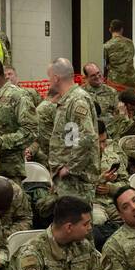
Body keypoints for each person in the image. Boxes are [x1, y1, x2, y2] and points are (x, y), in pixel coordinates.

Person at [47, 58, 100, 201]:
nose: (48, 81)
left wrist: (70, 168)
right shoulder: (68, 99)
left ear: (56, 78)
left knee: (78, 221)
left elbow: (87, 137)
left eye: (49, 77)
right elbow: (72, 137)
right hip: (68, 179)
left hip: (76, 181)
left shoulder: (77, 100)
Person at [103, 18, 135, 90]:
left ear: (110, 29)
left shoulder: (106, 46)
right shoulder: (129, 43)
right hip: (130, 81)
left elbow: (104, 64)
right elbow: (132, 55)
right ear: (122, 29)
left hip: (115, 82)